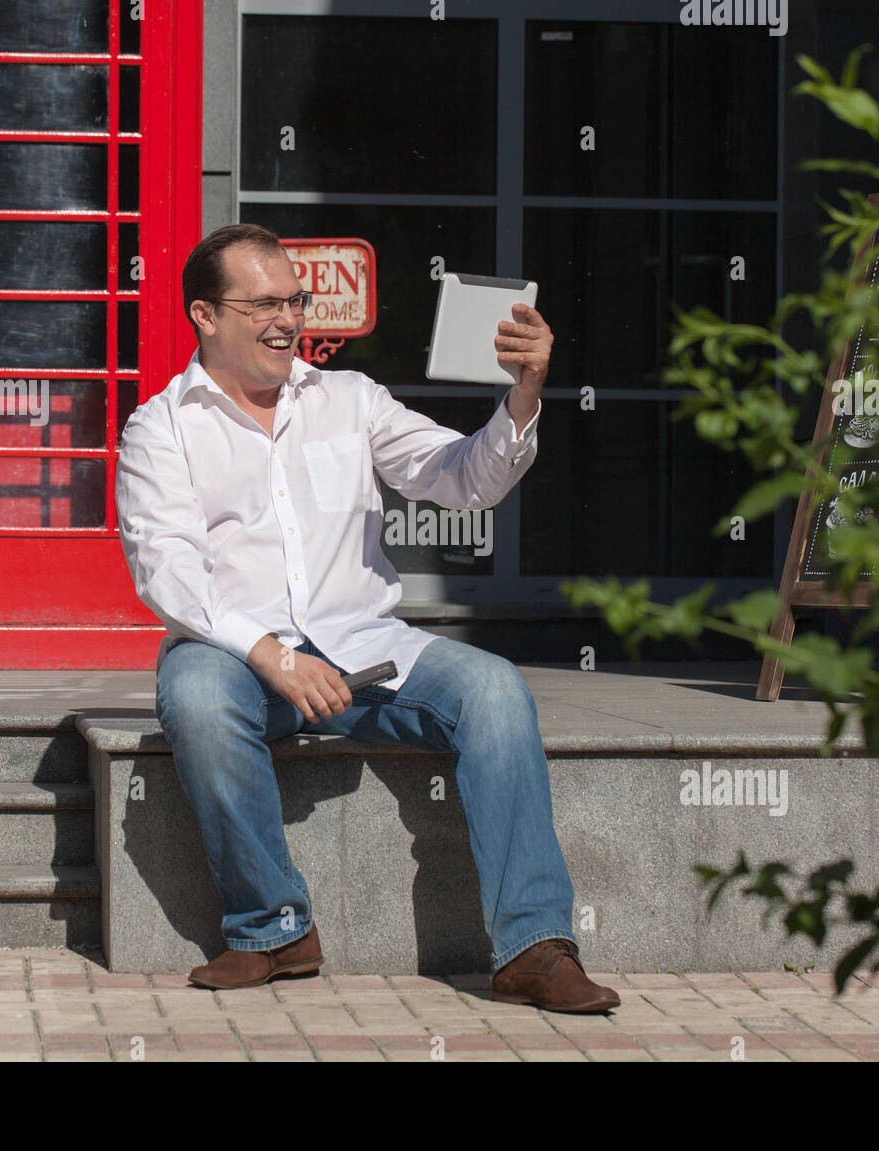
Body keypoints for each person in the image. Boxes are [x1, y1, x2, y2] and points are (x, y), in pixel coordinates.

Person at [115, 223, 619, 1013]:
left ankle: (533, 947)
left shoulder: (350, 398)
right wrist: (271, 654)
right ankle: (273, 928)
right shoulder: (161, 427)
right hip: (239, 656)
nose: (288, 319)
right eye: (263, 304)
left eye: (295, 301)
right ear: (204, 316)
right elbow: (166, 569)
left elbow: (462, 479)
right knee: (197, 695)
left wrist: (523, 395)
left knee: (494, 687)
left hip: (364, 650)